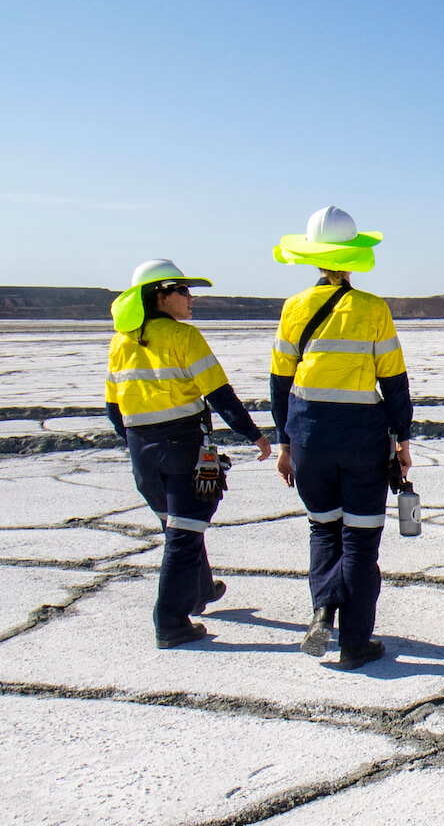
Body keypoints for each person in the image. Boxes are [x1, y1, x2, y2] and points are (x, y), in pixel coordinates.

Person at [271, 206, 412, 670]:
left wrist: (286, 443)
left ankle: (323, 610)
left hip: (308, 436)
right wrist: (402, 441)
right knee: (361, 539)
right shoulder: (373, 309)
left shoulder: (294, 307)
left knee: (324, 529)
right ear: (352, 258)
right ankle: (355, 642)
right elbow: (393, 382)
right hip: (362, 440)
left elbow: (279, 382)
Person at [105, 259, 272, 649]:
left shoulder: (121, 342)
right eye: (182, 291)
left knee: (179, 526)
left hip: (142, 452)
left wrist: (135, 443)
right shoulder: (185, 337)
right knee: (183, 535)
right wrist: (255, 436)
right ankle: (171, 622)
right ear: (160, 296)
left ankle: (200, 592)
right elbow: (219, 395)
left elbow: (114, 409)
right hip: (183, 449)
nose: (190, 298)